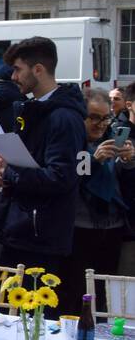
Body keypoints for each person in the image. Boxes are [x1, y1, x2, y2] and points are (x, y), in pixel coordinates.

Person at [0, 37, 87, 307]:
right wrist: (4, 172)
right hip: (23, 229)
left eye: (18, 69)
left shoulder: (63, 117)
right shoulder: (35, 108)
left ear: (39, 70)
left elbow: (61, 178)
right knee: (10, 315)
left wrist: (10, 173)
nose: (13, 76)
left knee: (28, 322)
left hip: (39, 236)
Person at [58, 89, 135, 314]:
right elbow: (67, 181)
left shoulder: (112, 140)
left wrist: (129, 162)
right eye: (94, 118)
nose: (101, 124)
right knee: (75, 292)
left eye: (105, 118)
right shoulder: (71, 143)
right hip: (78, 230)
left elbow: (127, 189)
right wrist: (95, 160)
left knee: (103, 296)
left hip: (112, 229)